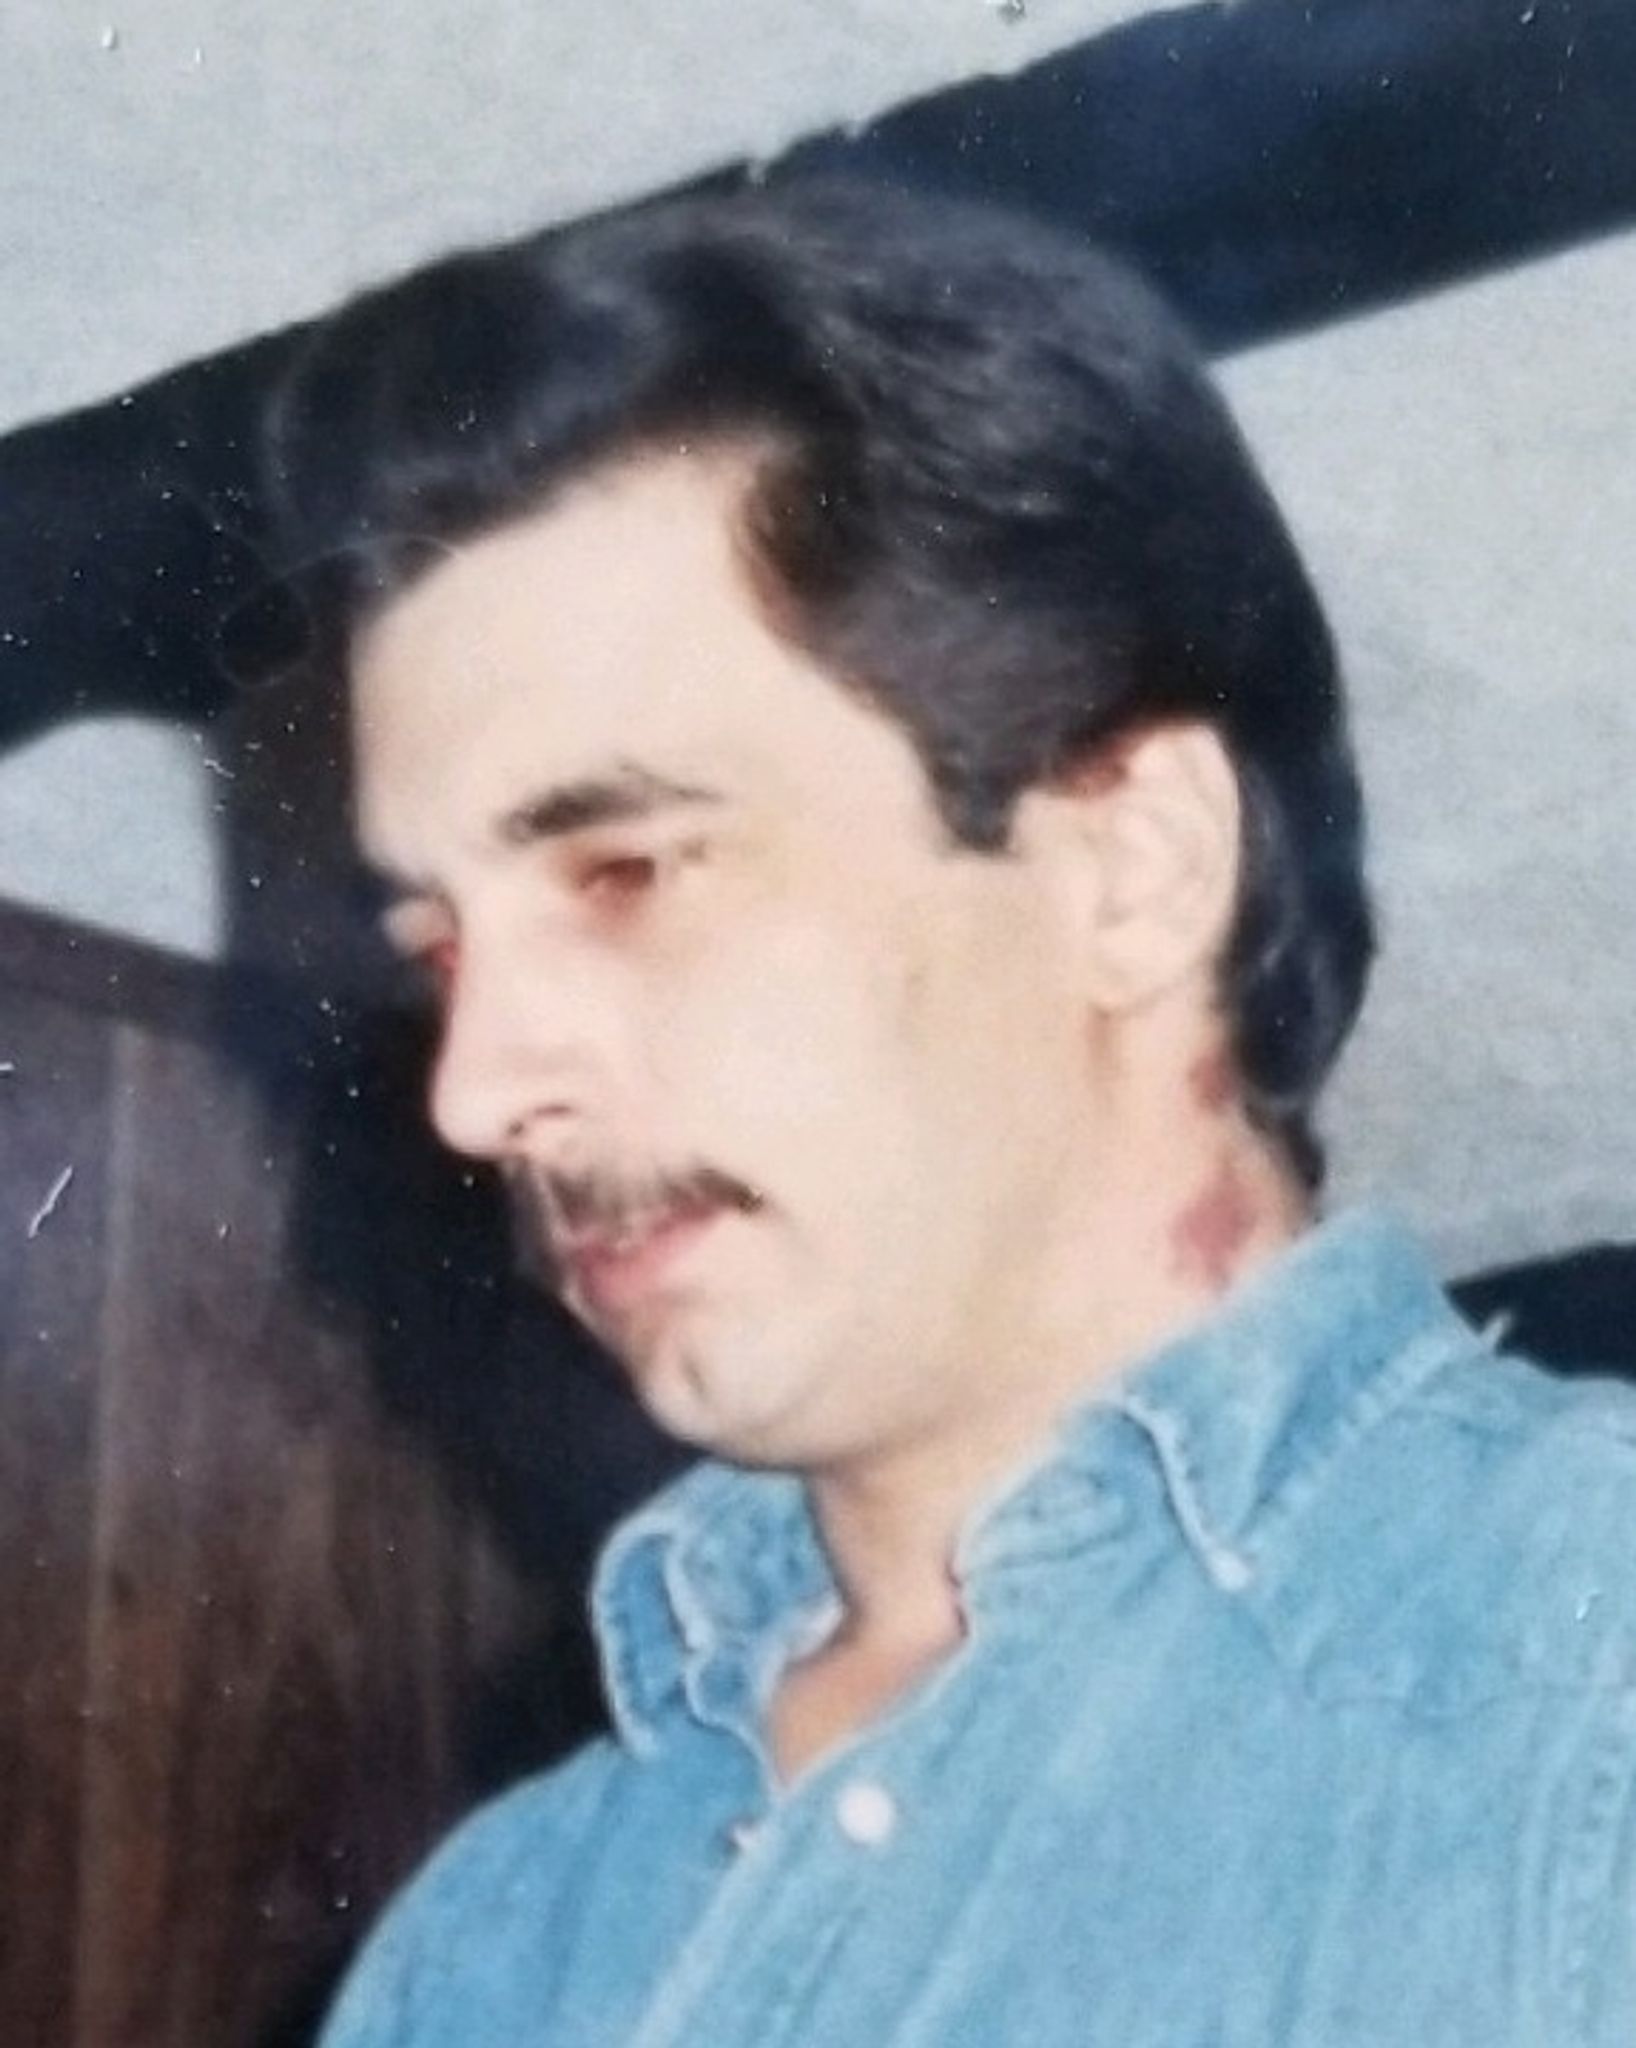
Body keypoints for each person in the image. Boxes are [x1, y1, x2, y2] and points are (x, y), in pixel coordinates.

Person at [265, 179, 1636, 2045]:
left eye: (627, 873)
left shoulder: (1586, 1688)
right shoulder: (492, 1943)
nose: (478, 1090)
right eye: (439, 951)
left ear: (1136, 870)